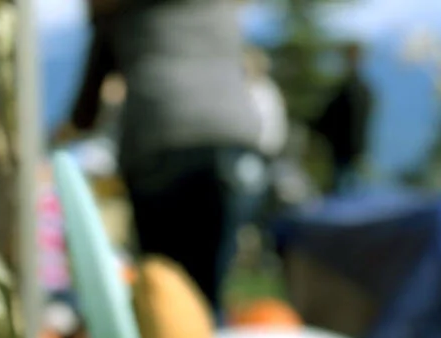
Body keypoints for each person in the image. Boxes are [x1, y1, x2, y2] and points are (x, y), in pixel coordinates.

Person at [66, 0, 263, 316]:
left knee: (166, 287)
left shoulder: (120, 11)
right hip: (233, 141)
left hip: (158, 141)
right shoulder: (220, 9)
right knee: (211, 284)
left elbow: (86, 109)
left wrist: (63, 134)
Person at [310, 42, 373, 193]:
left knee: (342, 194)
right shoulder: (364, 90)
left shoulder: (346, 90)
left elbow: (330, 119)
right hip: (356, 152)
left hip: (344, 153)